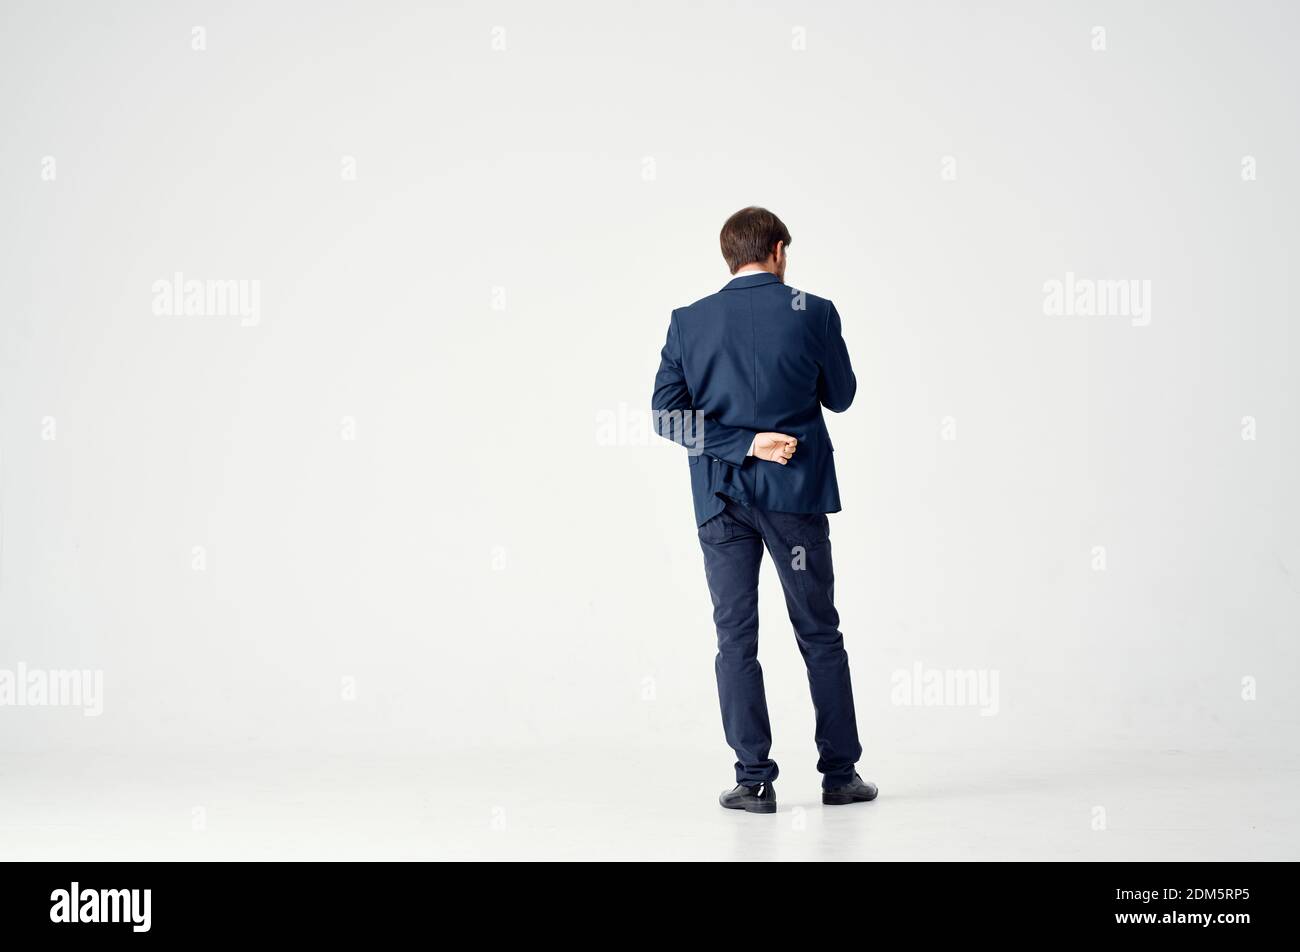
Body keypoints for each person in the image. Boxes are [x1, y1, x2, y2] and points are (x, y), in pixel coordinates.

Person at [652, 206, 878, 814]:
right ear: (777, 250)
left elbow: (665, 415)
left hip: (720, 499)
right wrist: (764, 436)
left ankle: (753, 780)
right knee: (819, 632)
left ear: (730, 255)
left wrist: (737, 444)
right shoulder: (816, 312)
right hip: (794, 497)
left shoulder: (689, 321)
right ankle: (839, 774)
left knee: (735, 638)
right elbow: (844, 397)